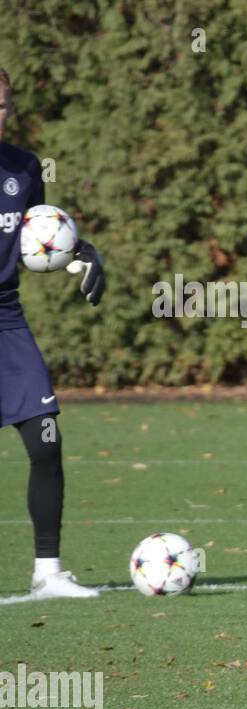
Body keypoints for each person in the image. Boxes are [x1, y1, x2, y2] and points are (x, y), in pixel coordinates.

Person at [0, 67, 107, 599]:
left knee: (45, 439)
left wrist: (84, 255)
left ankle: (49, 572)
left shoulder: (22, 169)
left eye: (0, 104)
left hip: (5, 323)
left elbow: (44, 239)